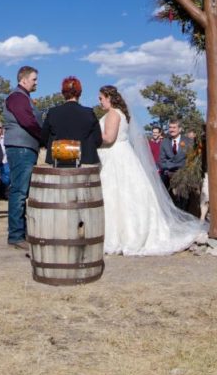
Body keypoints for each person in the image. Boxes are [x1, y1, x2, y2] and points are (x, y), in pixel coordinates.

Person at [95, 86, 203, 255]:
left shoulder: (113, 114)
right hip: (123, 156)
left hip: (115, 158)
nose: (99, 101)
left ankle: (119, 236)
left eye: (101, 98)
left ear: (109, 97)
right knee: (125, 195)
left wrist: (91, 137)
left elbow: (109, 138)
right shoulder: (122, 114)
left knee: (116, 194)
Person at [1, 66, 43, 250]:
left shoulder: (23, 97)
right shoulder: (17, 97)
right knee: (19, 191)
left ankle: (21, 232)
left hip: (26, 148)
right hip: (21, 149)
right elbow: (27, 121)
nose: (36, 82)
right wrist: (44, 137)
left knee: (22, 191)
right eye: (34, 79)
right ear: (24, 79)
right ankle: (16, 235)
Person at [42, 76, 101, 166]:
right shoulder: (89, 113)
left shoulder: (53, 113)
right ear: (80, 93)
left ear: (63, 93)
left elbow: (44, 138)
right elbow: (97, 140)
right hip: (84, 164)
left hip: (57, 164)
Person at [156, 121, 189, 190]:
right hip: (168, 173)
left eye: (174, 127)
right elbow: (161, 161)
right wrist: (169, 169)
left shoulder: (188, 141)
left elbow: (190, 160)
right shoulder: (164, 142)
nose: (171, 130)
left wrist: (181, 169)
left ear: (180, 129)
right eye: (170, 127)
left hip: (184, 174)